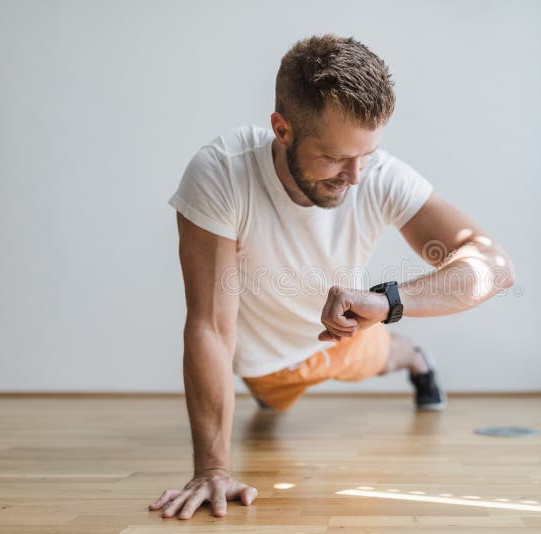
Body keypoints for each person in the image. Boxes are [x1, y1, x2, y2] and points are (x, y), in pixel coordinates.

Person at [149, 34, 515, 521]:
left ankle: (416, 360)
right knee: (273, 398)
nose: (355, 176)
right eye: (336, 157)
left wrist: (388, 302)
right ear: (282, 129)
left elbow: (494, 266)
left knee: (386, 354)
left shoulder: (379, 176)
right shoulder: (221, 174)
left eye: (367, 154)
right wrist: (212, 470)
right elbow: (210, 327)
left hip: (341, 336)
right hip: (264, 365)